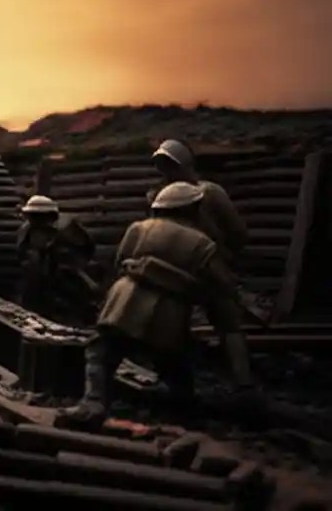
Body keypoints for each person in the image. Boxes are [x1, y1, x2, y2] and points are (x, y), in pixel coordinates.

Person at [58, 182, 257, 428]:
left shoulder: (139, 229)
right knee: (174, 365)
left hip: (126, 300)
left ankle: (94, 402)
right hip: (169, 310)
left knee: (102, 354)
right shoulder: (203, 244)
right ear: (194, 209)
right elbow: (220, 285)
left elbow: (120, 262)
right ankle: (186, 412)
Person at [148, 139, 248, 267]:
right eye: (162, 166)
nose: (167, 171)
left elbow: (237, 232)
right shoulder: (158, 197)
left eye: (171, 165)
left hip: (209, 261)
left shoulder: (210, 192)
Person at [16, 195, 99, 327]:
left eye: (40, 217)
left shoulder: (68, 230)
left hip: (64, 287)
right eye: (33, 216)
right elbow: (22, 254)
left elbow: (86, 250)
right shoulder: (26, 231)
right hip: (36, 285)